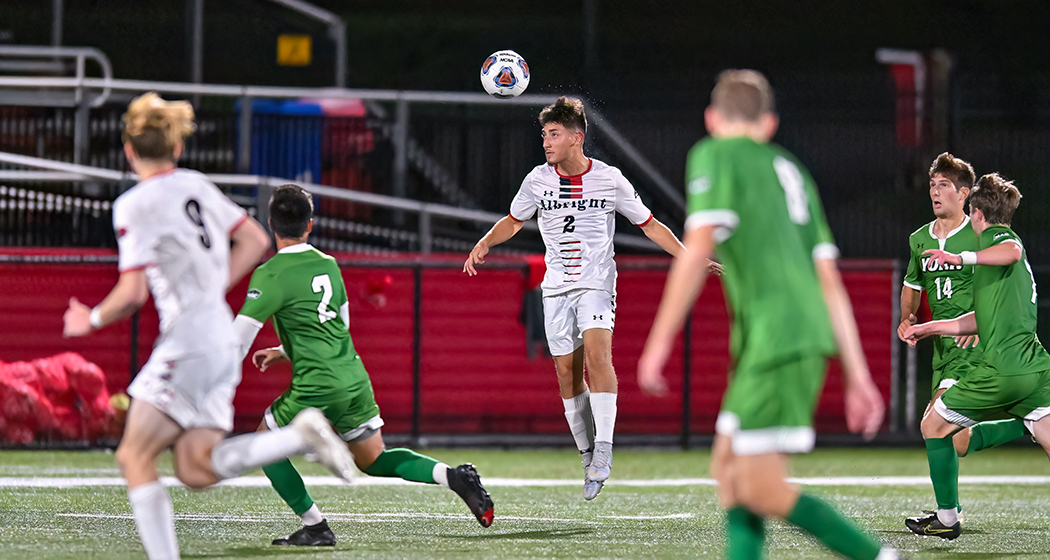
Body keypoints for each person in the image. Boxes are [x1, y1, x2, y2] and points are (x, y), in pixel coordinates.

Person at [62, 92, 355, 560]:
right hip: (219, 340)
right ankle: (296, 436)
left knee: (133, 457)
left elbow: (132, 294)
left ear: (128, 151)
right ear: (177, 149)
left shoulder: (133, 204)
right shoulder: (196, 184)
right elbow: (255, 238)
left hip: (188, 343)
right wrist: (210, 288)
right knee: (196, 468)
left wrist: (89, 318)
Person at [637, 70, 898, 560]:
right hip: (788, 339)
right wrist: (858, 374)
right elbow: (830, 281)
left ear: (712, 118)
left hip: (778, 342)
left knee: (759, 487)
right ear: (770, 123)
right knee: (729, 472)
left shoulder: (714, 152)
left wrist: (657, 344)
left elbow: (696, 251)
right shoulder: (793, 170)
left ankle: (880, 557)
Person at [463, 96, 706, 500]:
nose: (546, 141)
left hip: (595, 283)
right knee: (566, 375)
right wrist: (485, 242)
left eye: (554, 134)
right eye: (544, 134)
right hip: (555, 288)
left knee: (598, 357)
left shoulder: (610, 178)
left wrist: (689, 256)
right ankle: (587, 451)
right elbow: (512, 219)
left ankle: (605, 450)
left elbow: (649, 224)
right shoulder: (536, 180)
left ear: (577, 138)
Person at [233, 184, 494, 546]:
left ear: (270, 223)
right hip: (352, 378)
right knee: (373, 459)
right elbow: (338, 327)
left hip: (317, 384)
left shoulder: (271, 274)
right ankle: (453, 476)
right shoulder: (328, 265)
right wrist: (284, 349)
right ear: (310, 224)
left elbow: (238, 339)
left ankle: (316, 527)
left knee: (264, 443)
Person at [904, 173, 1050, 540]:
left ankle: (948, 519)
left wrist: (960, 256)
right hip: (1035, 368)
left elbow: (1011, 250)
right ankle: (1027, 423)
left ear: (977, 212)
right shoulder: (994, 270)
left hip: (1002, 369)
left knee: (933, 427)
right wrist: (929, 328)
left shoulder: (1000, 239)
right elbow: (977, 320)